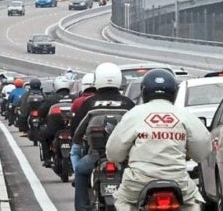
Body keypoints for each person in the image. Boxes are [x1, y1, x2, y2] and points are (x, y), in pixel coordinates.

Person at [106, 68, 209, 211]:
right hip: (178, 179)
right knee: (193, 202)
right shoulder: (184, 115)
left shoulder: (134, 114)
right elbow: (202, 151)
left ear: (144, 91)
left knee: (122, 201)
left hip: (138, 181)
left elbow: (113, 153)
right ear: (174, 92)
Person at [70, 63, 135, 211]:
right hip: (124, 158)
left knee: (80, 171)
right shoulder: (128, 103)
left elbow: (76, 129)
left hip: (95, 156)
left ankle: (81, 207)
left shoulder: (89, 104)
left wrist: (77, 140)